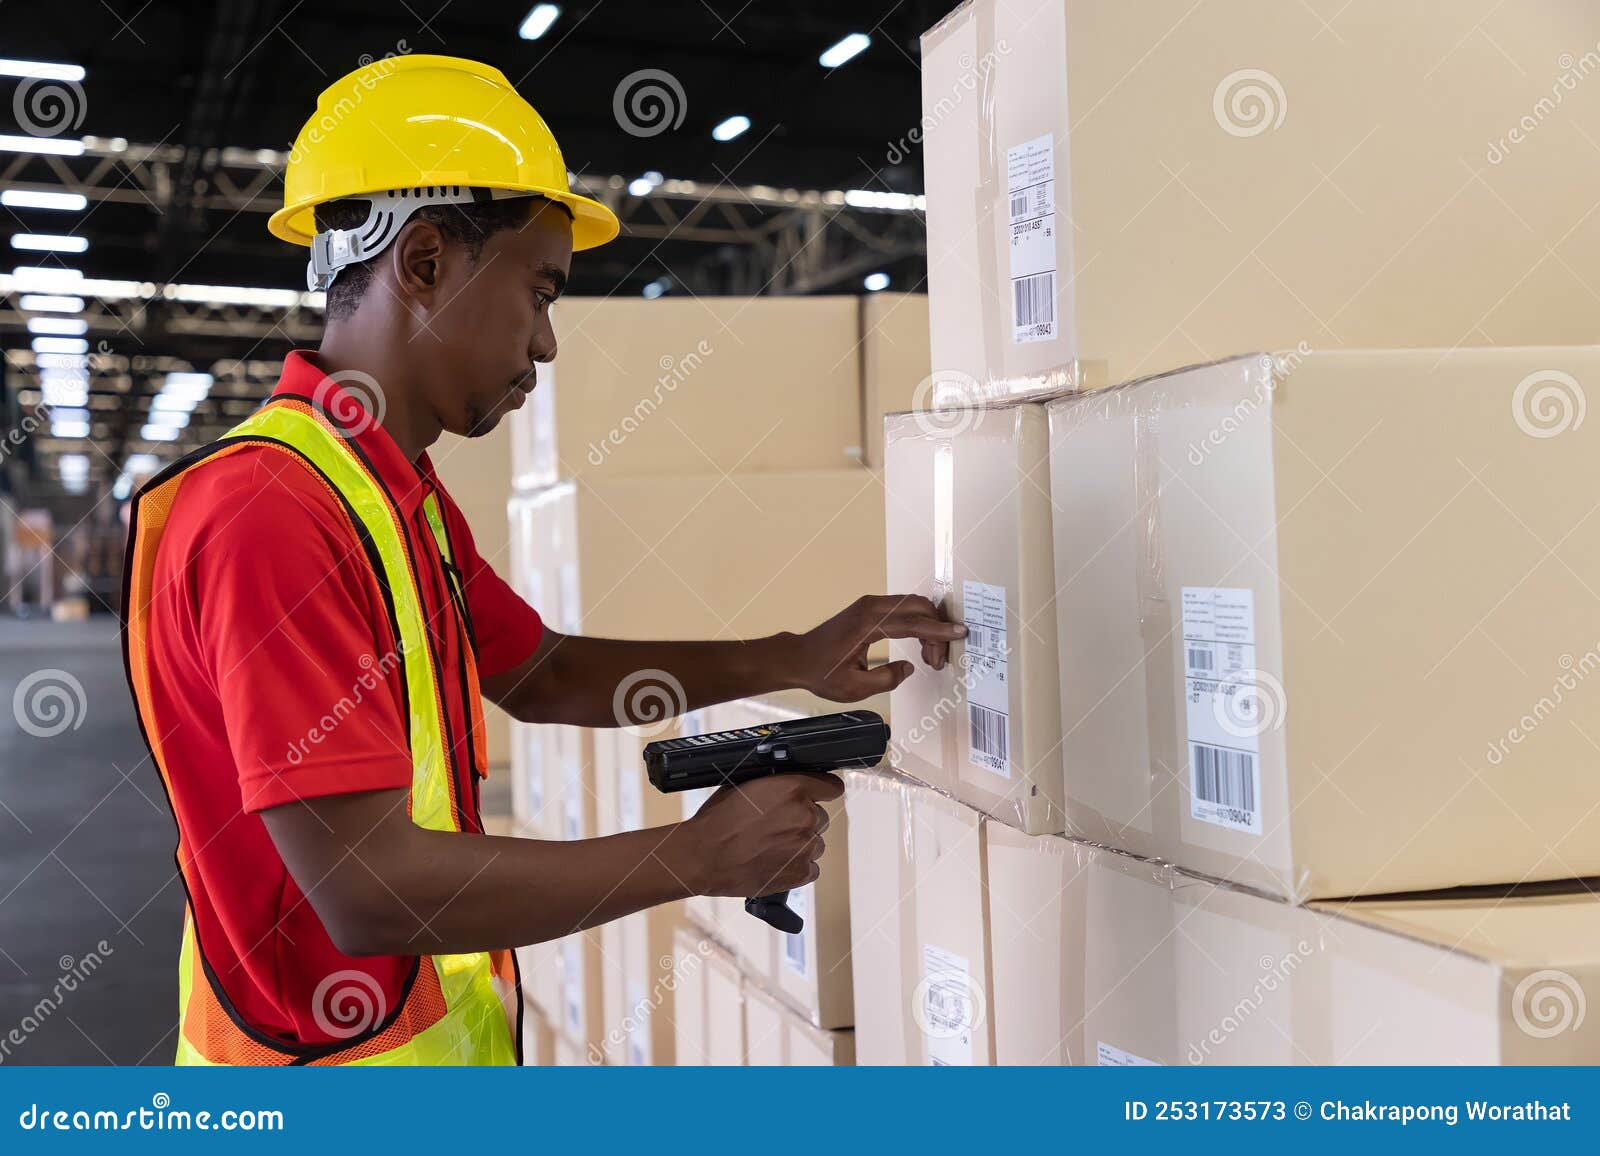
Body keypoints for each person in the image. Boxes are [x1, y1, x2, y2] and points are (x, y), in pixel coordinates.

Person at [120, 54, 961, 1066]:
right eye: (539, 291)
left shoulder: (392, 495)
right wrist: (688, 857)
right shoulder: (272, 514)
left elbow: (542, 670)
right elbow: (365, 889)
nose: (549, 343)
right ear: (424, 261)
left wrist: (793, 655)